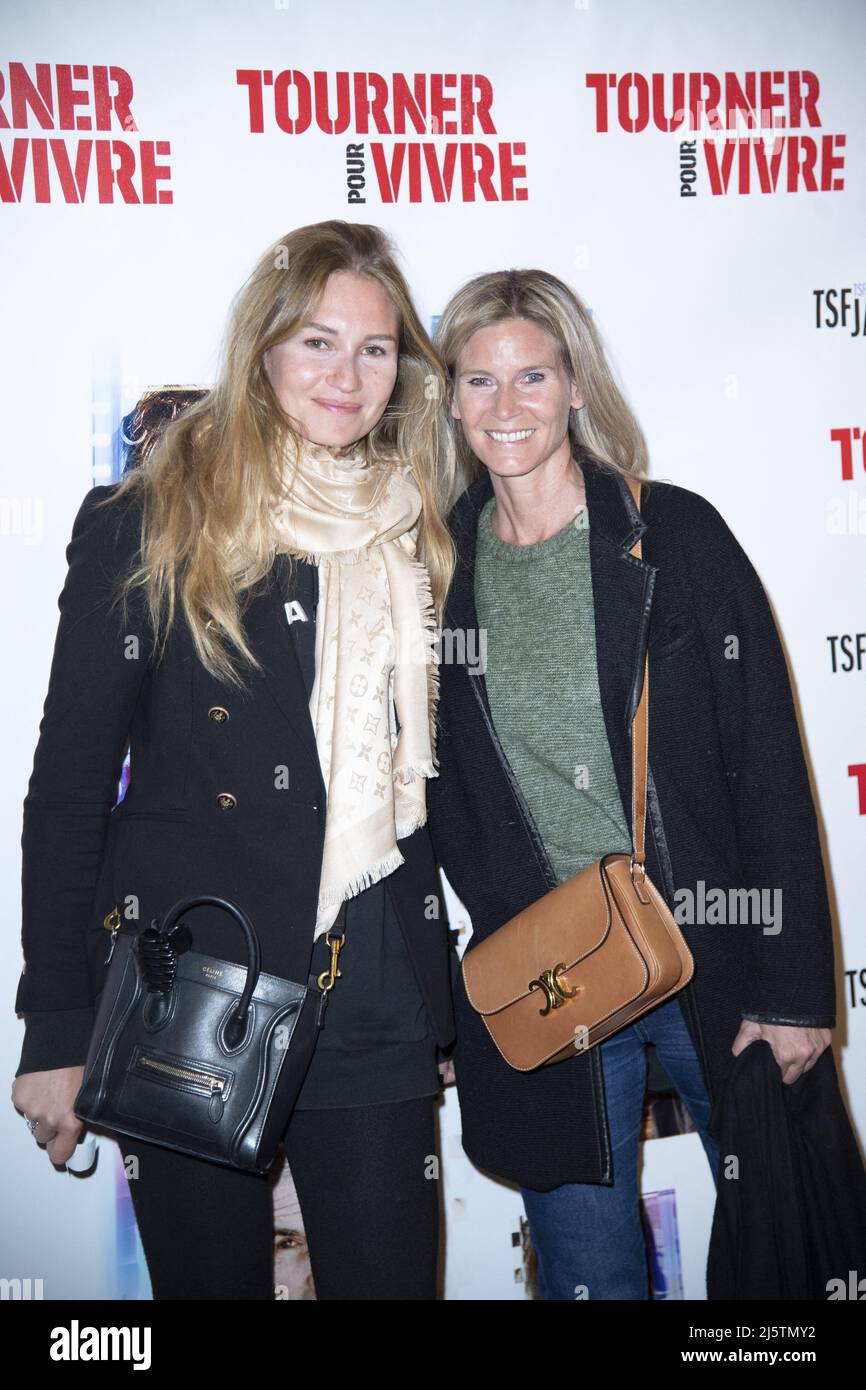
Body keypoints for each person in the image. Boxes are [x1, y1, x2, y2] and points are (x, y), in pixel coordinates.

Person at [11, 219, 459, 1301]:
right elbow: (71, 787)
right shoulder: (152, 520)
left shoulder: (415, 526)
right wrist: (58, 1025)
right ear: (260, 349)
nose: (347, 376)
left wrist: (439, 999)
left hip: (373, 988)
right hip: (197, 981)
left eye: (375, 347)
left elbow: (425, 788)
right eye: (316, 342)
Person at [426, 268, 835, 1300]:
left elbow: (768, 764)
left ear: (573, 385)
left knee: (779, 1267)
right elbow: (428, 803)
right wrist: (439, 1007)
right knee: (588, 1277)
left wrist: (793, 990)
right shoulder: (434, 573)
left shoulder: (672, 536)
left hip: (708, 954)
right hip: (553, 973)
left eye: (530, 375)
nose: (505, 406)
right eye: (478, 380)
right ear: (448, 398)